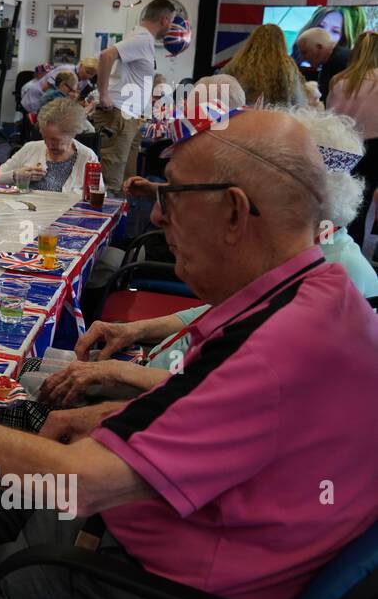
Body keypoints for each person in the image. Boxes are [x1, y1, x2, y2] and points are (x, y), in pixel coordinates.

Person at [0, 108, 378, 599]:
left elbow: (80, 485)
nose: (159, 218)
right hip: (155, 543)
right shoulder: (316, 298)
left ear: (234, 212)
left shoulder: (280, 347)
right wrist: (109, 416)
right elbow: (226, 428)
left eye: (175, 197)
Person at [49, 105, 378, 405]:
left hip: (155, 398)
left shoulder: (336, 277)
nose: (159, 216)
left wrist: (121, 378)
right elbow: (219, 314)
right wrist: (135, 330)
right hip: (154, 368)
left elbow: (241, 399)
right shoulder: (301, 253)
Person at [91, 0, 174, 193]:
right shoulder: (143, 39)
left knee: (126, 181)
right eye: (171, 22)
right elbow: (106, 55)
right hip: (119, 115)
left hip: (130, 117)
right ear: (164, 19)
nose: (170, 27)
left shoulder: (142, 38)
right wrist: (104, 94)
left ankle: (121, 219)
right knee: (111, 180)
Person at [326, 31, 378, 244]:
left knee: (335, 200)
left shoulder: (338, 80)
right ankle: (354, 249)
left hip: (340, 144)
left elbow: (328, 114)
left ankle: (330, 245)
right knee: (363, 204)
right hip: (374, 148)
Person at [0, 98, 98, 194]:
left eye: (55, 140)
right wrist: (17, 175)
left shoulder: (87, 157)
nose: (49, 144)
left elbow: (97, 194)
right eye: (45, 137)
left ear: (72, 134)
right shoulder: (30, 148)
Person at [224, 23, 306, 107]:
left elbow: (221, 89)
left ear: (253, 40)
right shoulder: (287, 65)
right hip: (277, 116)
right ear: (282, 42)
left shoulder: (238, 63)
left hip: (242, 115)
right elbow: (297, 100)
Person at [295, 26, 351, 99]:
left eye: (305, 52)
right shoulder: (333, 60)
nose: (302, 58)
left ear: (319, 47)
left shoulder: (340, 62)